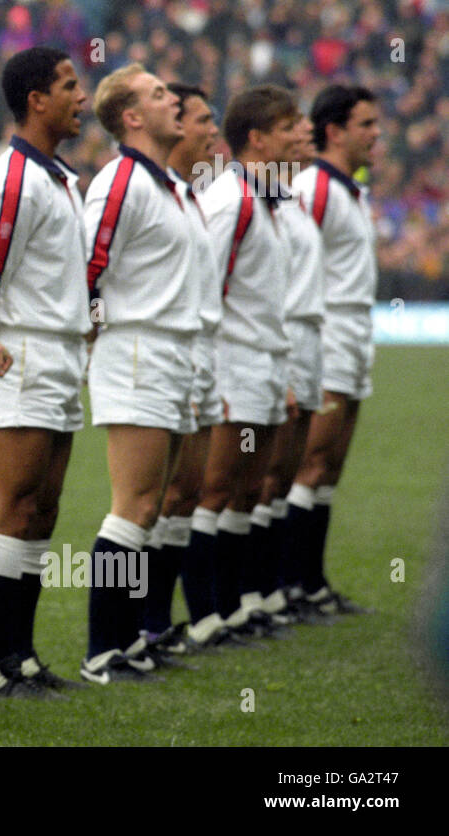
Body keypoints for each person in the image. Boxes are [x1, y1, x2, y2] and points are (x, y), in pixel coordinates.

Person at [0, 46, 89, 698]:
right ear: (36, 100)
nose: (82, 96)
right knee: (12, 506)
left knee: (43, 509)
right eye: (70, 85)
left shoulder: (59, 177)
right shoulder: (11, 176)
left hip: (62, 354)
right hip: (24, 352)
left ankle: (22, 656)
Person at [80, 64, 199, 684]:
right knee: (131, 505)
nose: (172, 98)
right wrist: (103, 336)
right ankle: (104, 649)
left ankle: (129, 640)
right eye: (158, 94)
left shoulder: (167, 184)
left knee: (150, 507)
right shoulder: (120, 181)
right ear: (130, 117)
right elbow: (88, 270)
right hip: (137, 350)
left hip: (169, 351)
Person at [192, 85, 300, 645]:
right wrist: (212, 376)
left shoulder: (267, 200)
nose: (297, 133)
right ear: (257, 138)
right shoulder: (230, 199)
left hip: (262, 363)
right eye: (287, 126)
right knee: (215, 488)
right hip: (231, 362)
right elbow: (206, 287)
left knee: (244, 487)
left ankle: (232, 605)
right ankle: (205, 613)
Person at [289, 85, 381, 617]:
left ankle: (311, 581)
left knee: (330, 466)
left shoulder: (351, 189)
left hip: (354, 333)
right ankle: (291, 583)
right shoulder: (314, 188)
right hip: (324, 332)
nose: (376, 135)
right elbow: (294, 258)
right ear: (335, 131)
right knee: (311, 461)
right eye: (365, 124)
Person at [145, 83, 222, 655]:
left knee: (181, 496)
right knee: (145, 502)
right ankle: (127, 632)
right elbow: (100, 266)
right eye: (199, 118)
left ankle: (156, 623)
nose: (211, 131)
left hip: (195, 355)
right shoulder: (137, 187)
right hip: (150, 355)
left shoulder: (187, 194)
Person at [254, 113, 325, 624]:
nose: (305, 134)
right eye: (292, 126)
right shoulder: (247, 199)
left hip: (295, 337)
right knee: (258, 477)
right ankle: (251, 594)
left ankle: (278, 588)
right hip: (272, 338)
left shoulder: (292, 198)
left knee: (279, 476)